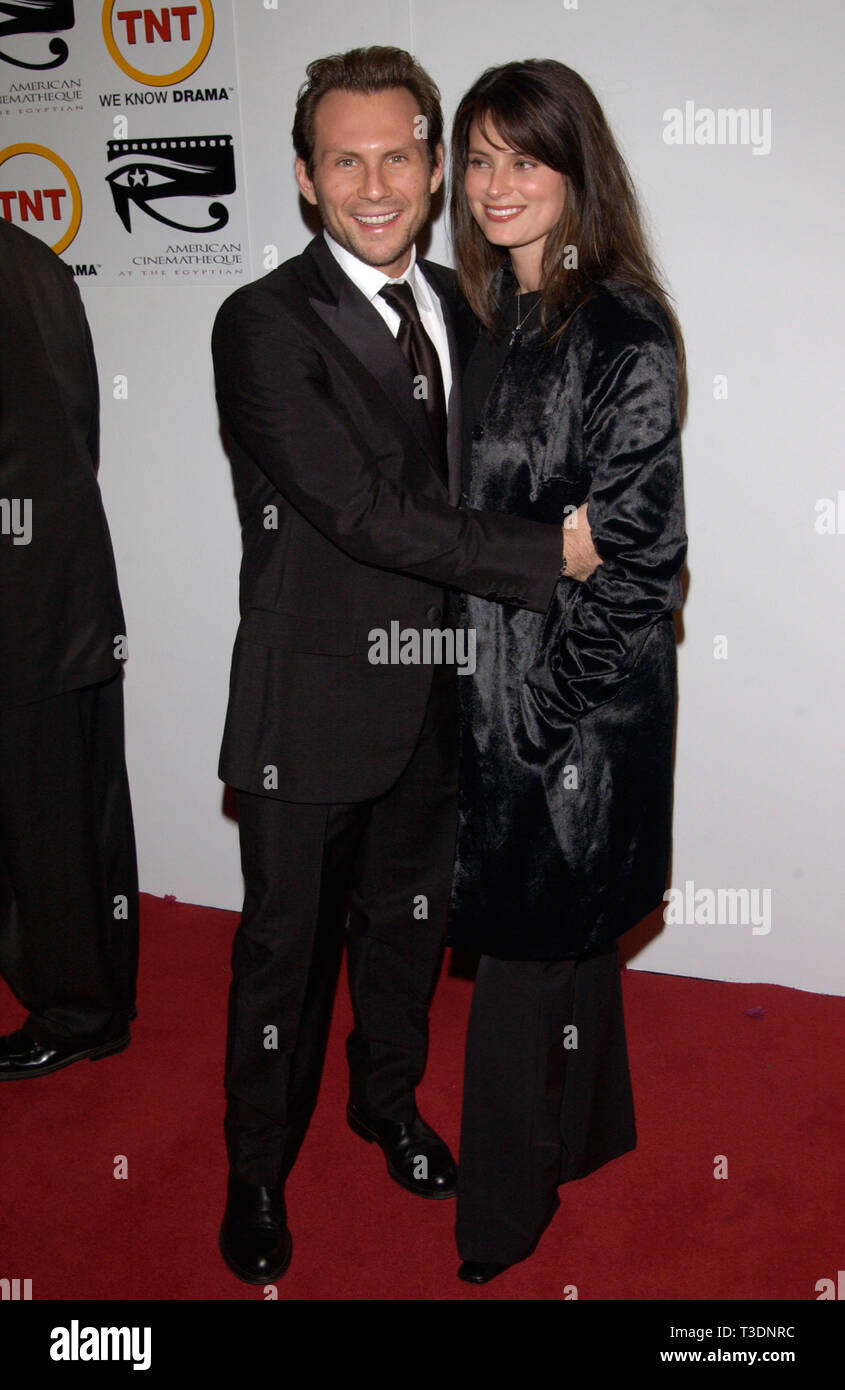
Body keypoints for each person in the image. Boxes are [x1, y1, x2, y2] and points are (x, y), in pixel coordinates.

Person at [210, 46, 601, 1285]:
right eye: (344, 159)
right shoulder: (263, 325)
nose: (372, 184)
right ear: (304, 175)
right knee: (285, 949)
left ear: (433, 172)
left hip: (443, 693)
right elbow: (367, 513)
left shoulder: (468, 302)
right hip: (309, 698)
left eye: (397, 156)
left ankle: (385, 1103)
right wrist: (557, 554)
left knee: (407, 932)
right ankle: (256, 1167)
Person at [445, 59, 688, 1283]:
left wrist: (535, 720)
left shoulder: (616, 327)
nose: (494, 184)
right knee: (571, 936)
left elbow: (642, 566)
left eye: (522, 159)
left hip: (576, 709)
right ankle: (591, 1130)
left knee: (522, 958)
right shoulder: (508, 316)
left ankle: (497, 1213)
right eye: (477, 160)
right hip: (509, 689)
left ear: (573, 169)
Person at [0, 218, 138, 1080]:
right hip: (64, 588)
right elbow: (78, 432)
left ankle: (78, 1011)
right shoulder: (29, 259)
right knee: (79, 813)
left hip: (24, 608)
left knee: (41, 824)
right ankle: (94, 998)